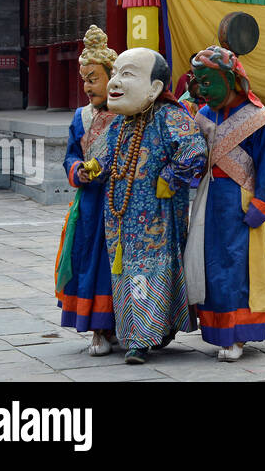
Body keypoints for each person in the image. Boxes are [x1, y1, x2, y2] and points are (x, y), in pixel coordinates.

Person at [99, 48, 207, 365]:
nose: (114, 81)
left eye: (127, 74)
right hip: (119, 219)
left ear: (155, 88)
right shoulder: (119, 124)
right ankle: (135, 332)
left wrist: (171, 177)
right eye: (115, 72)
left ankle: (142, 340)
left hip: (155, 223)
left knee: (148, 273)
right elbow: (109, 159)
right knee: (124, 277)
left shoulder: (168, 117)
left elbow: (194, 150)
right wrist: (95, 168)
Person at [185, 45, 265, 362]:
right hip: (209, 201)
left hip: (241, 202)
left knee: (239, 269)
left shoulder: (258, 119)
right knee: (212, 268)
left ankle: (237, 335)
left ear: (231, 78)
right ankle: (219, 332)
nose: (204, 90)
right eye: (200, 83)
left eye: (210, 82)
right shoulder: (204, 115)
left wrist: (263, 206)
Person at [56, 26, 118, 356]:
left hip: (118, 203)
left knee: (115, 265)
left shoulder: (126, 117)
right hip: (89, 205)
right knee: (88, 263)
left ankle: (120, 325)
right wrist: (77, 170)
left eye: (94, 78)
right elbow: (71, 154)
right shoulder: (81, 117)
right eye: (85, 79)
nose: (87, 86)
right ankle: (97, 329)